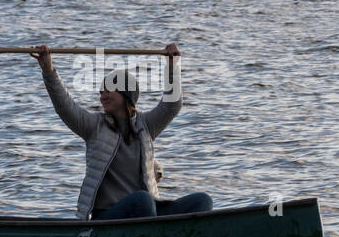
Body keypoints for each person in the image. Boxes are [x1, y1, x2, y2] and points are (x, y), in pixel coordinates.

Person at [30, 42, 212, 220]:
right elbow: (65, 106)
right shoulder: (94, 126)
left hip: (149, 210)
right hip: (108, 217)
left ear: (126, 95)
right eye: (101, 92)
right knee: (142, 199)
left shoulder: (147, 125)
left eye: (109, 90)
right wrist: (48, 71)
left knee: (202, 201)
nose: (103, 96)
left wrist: (173, 67)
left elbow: (173, 105)